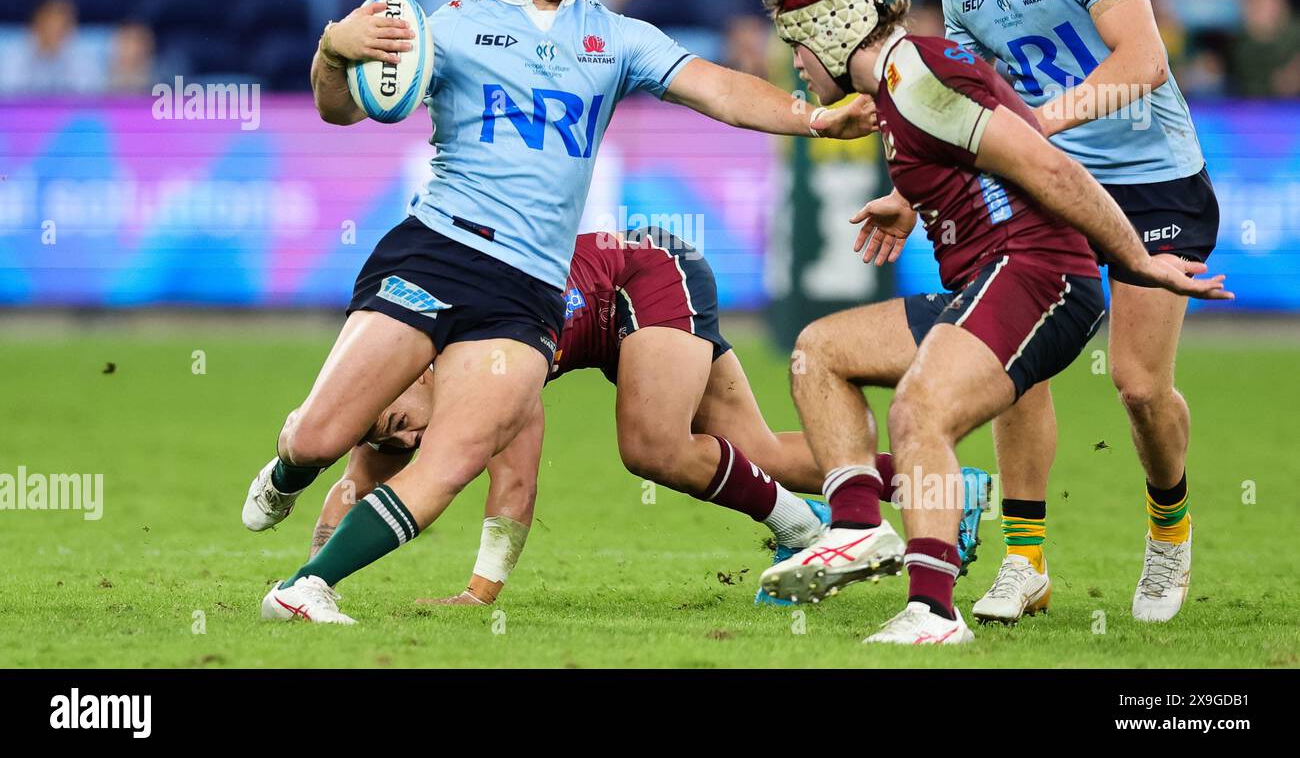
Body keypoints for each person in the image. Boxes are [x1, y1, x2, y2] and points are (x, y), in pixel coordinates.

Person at [242, 0, 872, 624]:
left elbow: (715, 87)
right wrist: (333, 48)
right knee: (320, 435)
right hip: (436, 253)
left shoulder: (615, 36)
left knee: (447, 464)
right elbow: (342, 110)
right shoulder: (449, 26)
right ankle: (286, 470)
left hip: (531, 290)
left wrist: (812, 120)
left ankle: (307, 587)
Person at [758, 0, 1229, 644]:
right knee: (819, 351)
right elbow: (965, 154)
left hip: (1038, 274)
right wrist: (908, 199)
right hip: (990, 279)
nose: (797, 65)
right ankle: (860, 527)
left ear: (829, 38)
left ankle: (934, 611)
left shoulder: (914, 82)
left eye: (797, 47)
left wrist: (1135, 260)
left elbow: (1046, 164)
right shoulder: (897, 84)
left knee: (922, 409)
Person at [292, 230, 988, 607]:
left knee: (653, 446)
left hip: (649, 273)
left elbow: (515, 487)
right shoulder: (445, 382)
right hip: (630, 303)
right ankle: (941, 488)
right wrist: (316, 570)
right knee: (757, 452)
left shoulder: (485, 357)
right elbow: (366, 478)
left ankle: (801, 529)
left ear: (413, 373)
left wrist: (480, 593)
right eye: (395, 438)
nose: (408, 438)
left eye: (400, 420)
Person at [927, 0, 1221, 623]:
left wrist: (1039, 123)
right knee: (1018, 369)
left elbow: (1145, 61)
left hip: (1156, 183)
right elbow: (969, 102)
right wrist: (906, 183)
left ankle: (1169, 531)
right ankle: (1025, 564)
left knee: (1136, 384)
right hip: (1054, 187)